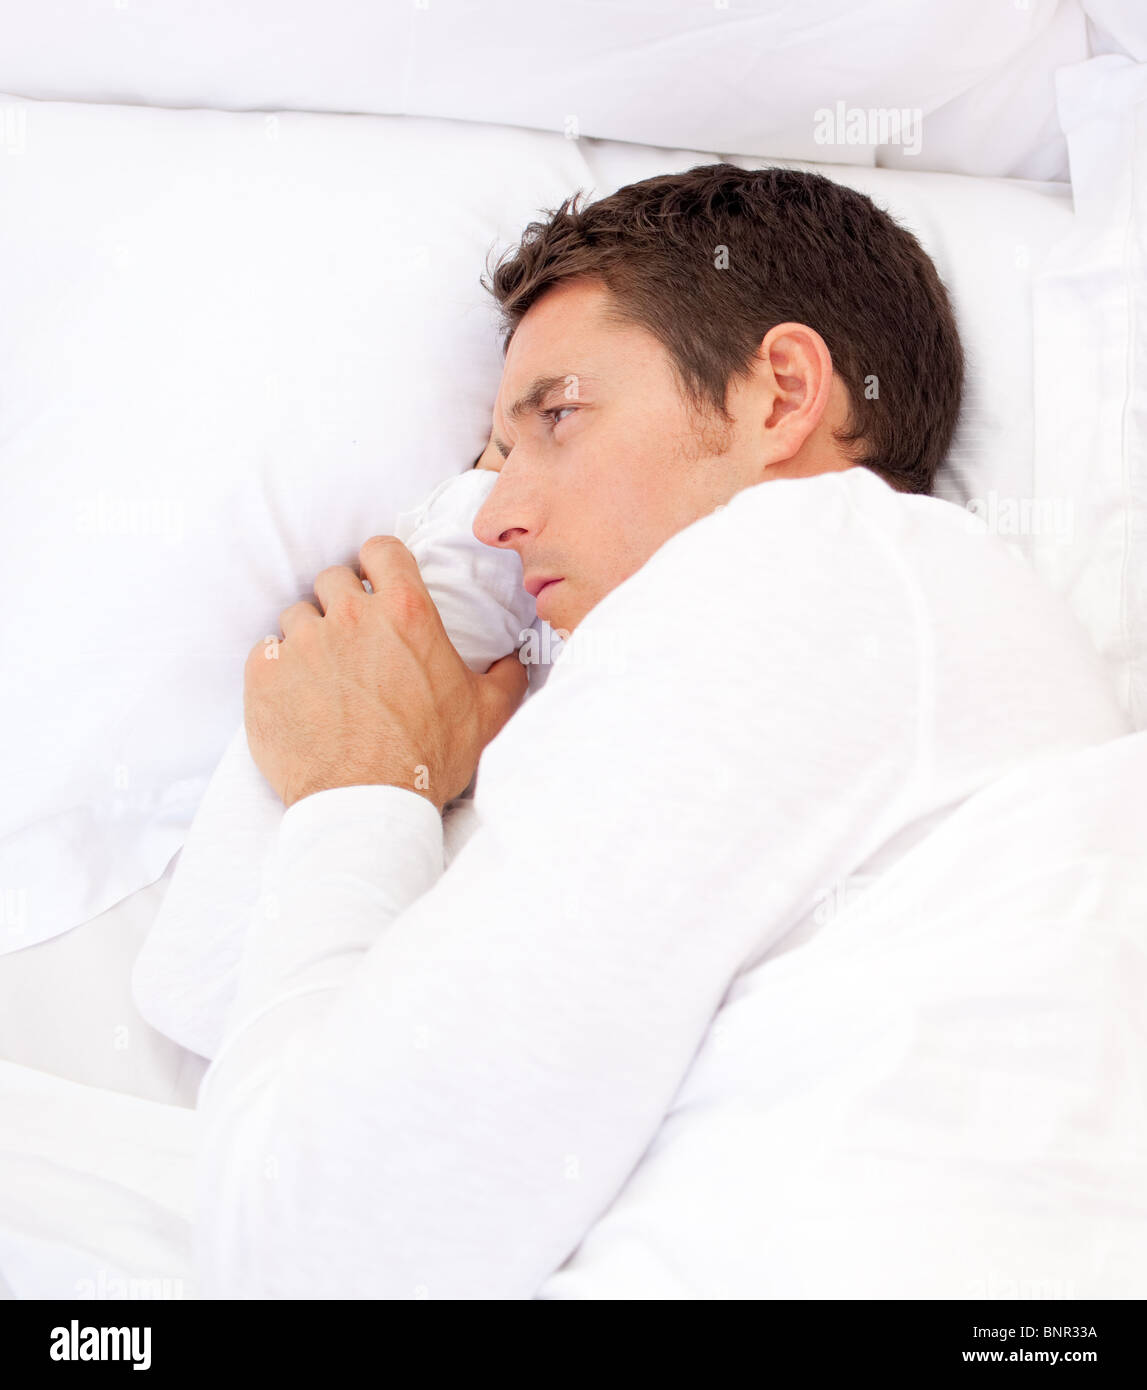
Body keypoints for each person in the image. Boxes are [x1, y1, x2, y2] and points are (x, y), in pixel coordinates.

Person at [194, 164, 1130, 1298]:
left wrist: (358, 788)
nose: (491, 516)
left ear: (780, 393)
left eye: (557, 416)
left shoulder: (808, 569)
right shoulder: (899, 643)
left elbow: (313, 1254)